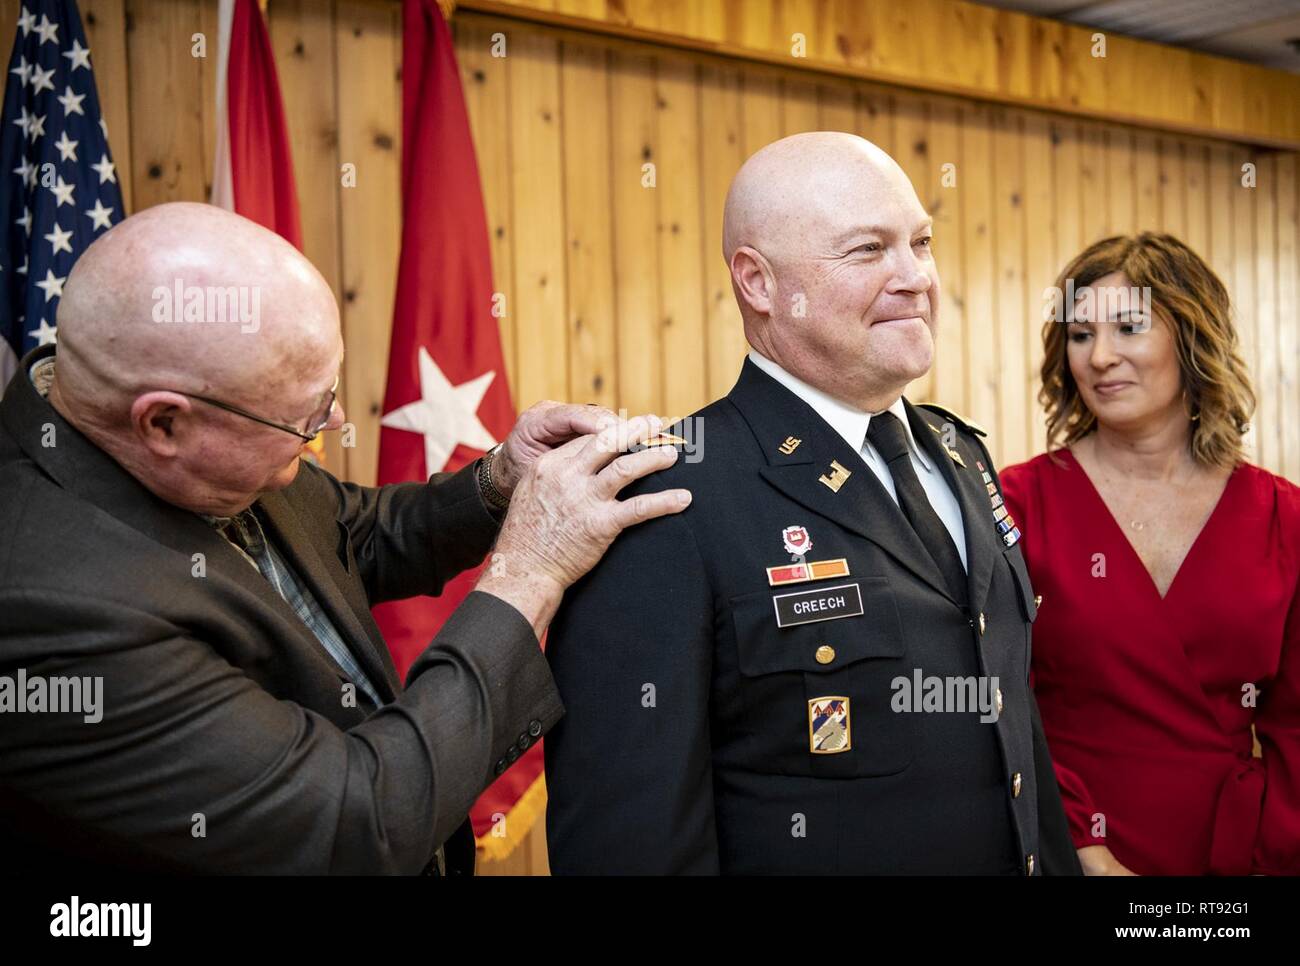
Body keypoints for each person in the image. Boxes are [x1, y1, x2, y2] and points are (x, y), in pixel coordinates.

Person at [0, 202, 691, 875]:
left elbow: (353, 536)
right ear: (165, 426)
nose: (331, 423)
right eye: (306, 418)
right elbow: (358, 821)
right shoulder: (51, 612)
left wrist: (498, 482)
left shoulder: (211, 442)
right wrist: (530, 571)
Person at [544, 132, 1079, 875]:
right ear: (759, 284)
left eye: (920, 242)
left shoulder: (959, 456)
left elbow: (1015, 747)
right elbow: (631, 841)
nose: (915, 276)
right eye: (867, 251)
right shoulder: (668, 498)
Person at [999, 233, 1300, 876]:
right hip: (1061, 844)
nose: (1101, 357)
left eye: (1129, 328)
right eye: (1080, 335)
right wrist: (1081, 845)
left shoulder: (1284, 517)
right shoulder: (1014, 503)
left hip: (1237, 852)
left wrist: (1270, 856)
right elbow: (1001, 696)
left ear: (1191, 339)